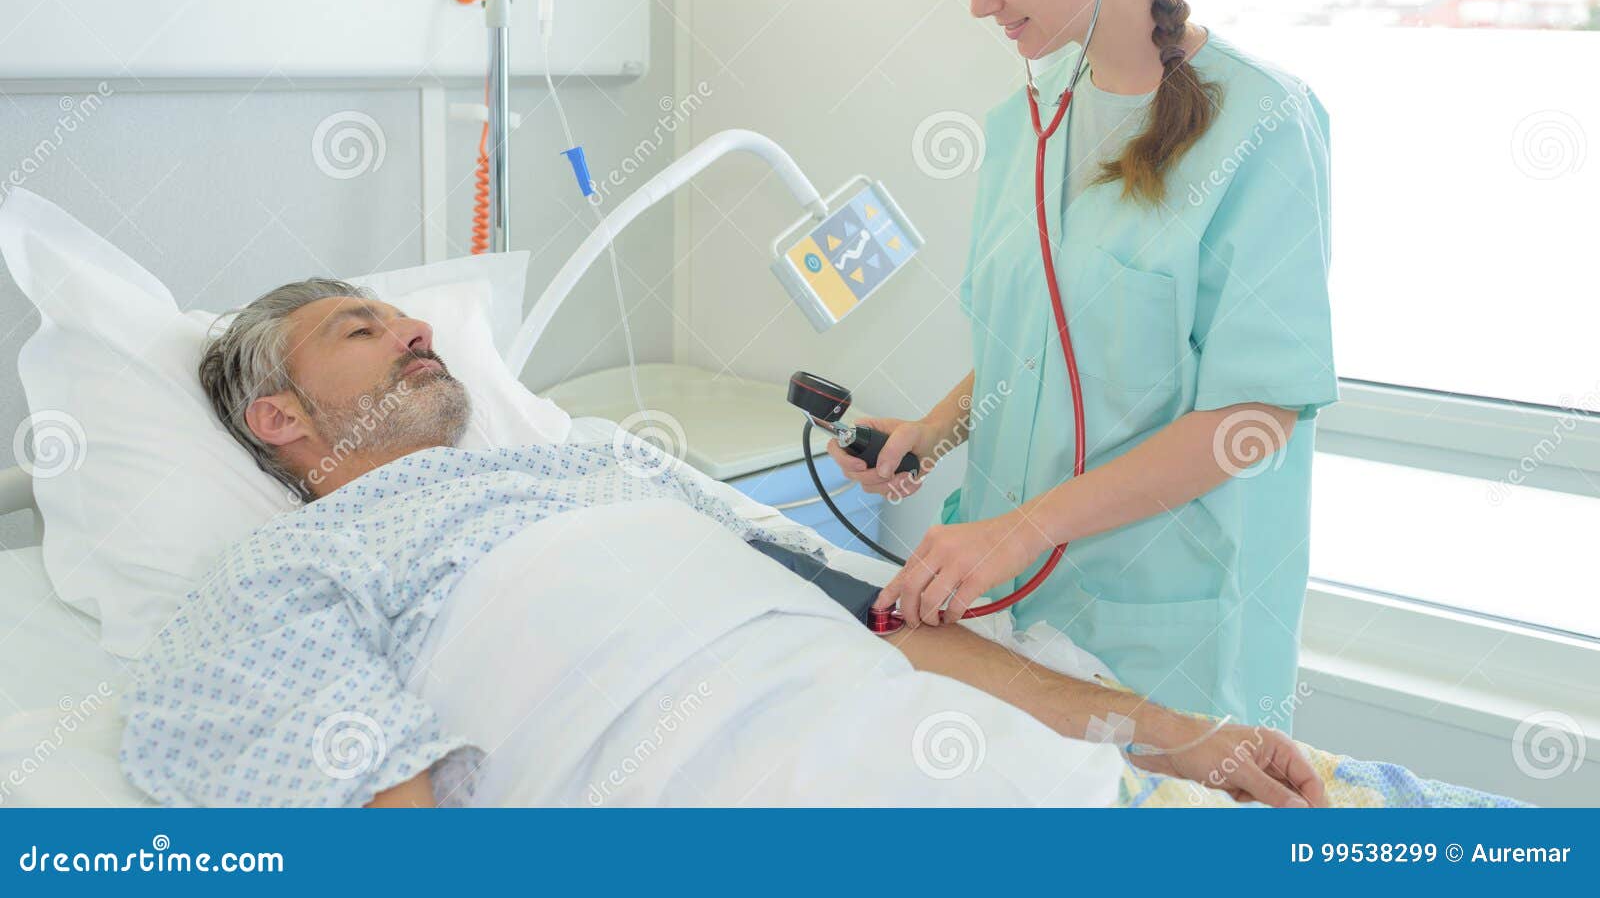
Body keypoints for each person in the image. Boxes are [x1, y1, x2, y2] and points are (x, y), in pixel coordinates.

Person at [160, 277, 1323, 808]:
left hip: (949, 756)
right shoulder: (280, 575)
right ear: (280, 420)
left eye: (406, 314)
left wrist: (1172, 737)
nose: (416, 327)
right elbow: (376, 814)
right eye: (362, 328)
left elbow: (874, 629)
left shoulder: (599, 461)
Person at [828, 0, 1337, 728]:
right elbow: (1047, 341)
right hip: (1003, 606)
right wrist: (931, 432)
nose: (979, 2)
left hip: (1163, 628)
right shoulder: (1027, 116)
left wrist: (1024, 530)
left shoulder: (1264, 122)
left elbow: (1255, 415)